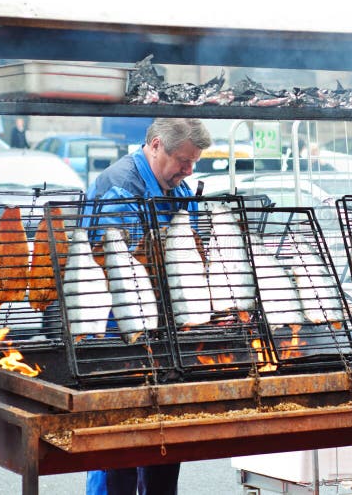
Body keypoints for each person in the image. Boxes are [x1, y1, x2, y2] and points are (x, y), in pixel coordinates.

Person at [84, 117, 211, 495]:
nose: (188, 170)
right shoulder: (121, 187)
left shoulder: (179, 188)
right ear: (156, 145)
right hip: (115, 331)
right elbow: (116, 265)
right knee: (118, 445)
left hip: (162, 334)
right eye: (182, 160)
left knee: (162, 444)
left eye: (194, 163)